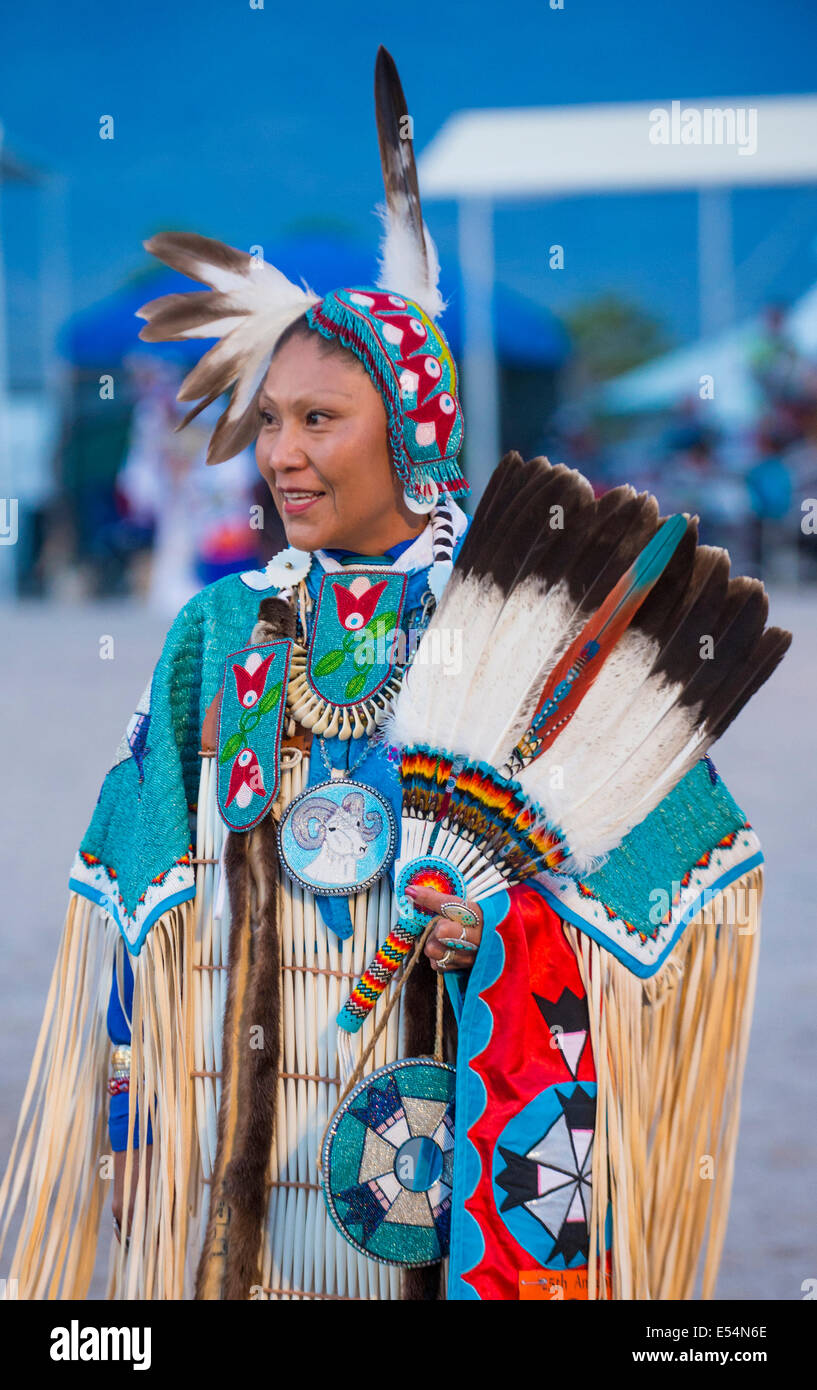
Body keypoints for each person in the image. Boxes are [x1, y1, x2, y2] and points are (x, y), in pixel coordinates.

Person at [0, 49, 788, 1303]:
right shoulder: (217, 630)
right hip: (239, 1192)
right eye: (269, 420)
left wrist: (510, 930)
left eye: (321, 420)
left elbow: (694, 883)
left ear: (416, 433)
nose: (281, 456)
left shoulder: (521, 646)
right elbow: (128, 884)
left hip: (435, 1196)